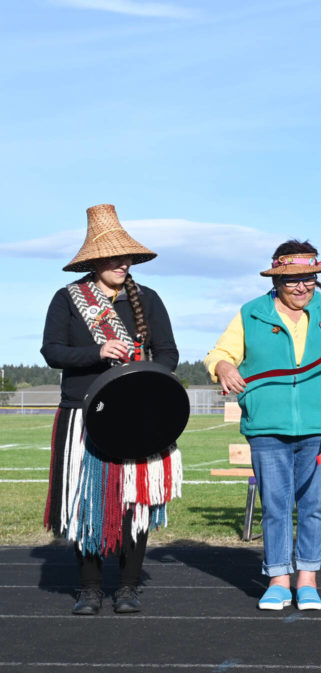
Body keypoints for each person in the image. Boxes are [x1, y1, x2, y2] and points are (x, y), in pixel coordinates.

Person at [205, 240, 321, 611]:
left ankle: (307, 578)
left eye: (309, 279)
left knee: (314, 506)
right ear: (276, 279)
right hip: (268, 427)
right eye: (293, 280)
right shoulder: (251, 313)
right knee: (276, 506)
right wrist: (224, 367)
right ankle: (278, 579)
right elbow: (220, 353)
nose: (302, 287)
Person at [41, 204, 181, 615]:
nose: (124, 264)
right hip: (82, 415)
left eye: (128, 257)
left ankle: (128, 586)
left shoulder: (148, 300)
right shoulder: (67, 300)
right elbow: (52, 352)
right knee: (86, 502)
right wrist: (98, 352)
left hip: (137, 416)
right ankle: (89, 588)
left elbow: (168, 353)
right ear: (94, 260)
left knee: (134, 503)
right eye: (115, 257)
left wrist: (146, 379)